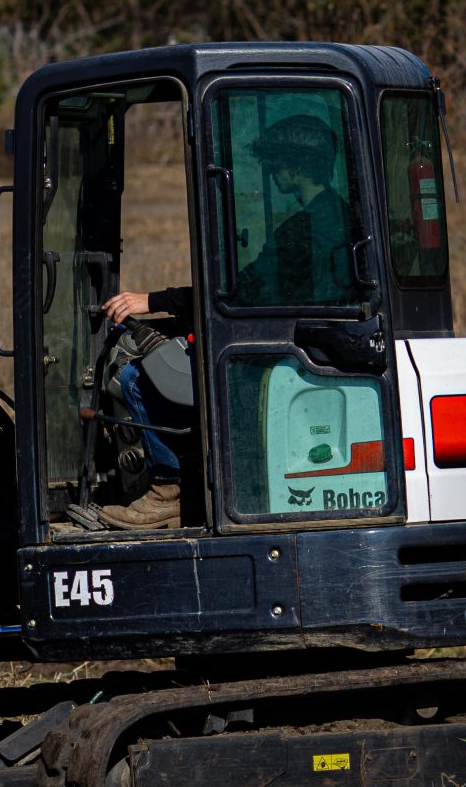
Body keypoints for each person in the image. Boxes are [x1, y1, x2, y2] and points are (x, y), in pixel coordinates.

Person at [89, 113, 356, 529]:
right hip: (298, 343)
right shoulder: (339, 217)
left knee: (137, 379)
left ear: (296, 167)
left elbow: (236, 295)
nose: (270, 174)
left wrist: (152, 301)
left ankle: (168, 490)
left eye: (275, 165)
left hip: (266, 357)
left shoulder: (300, 231)